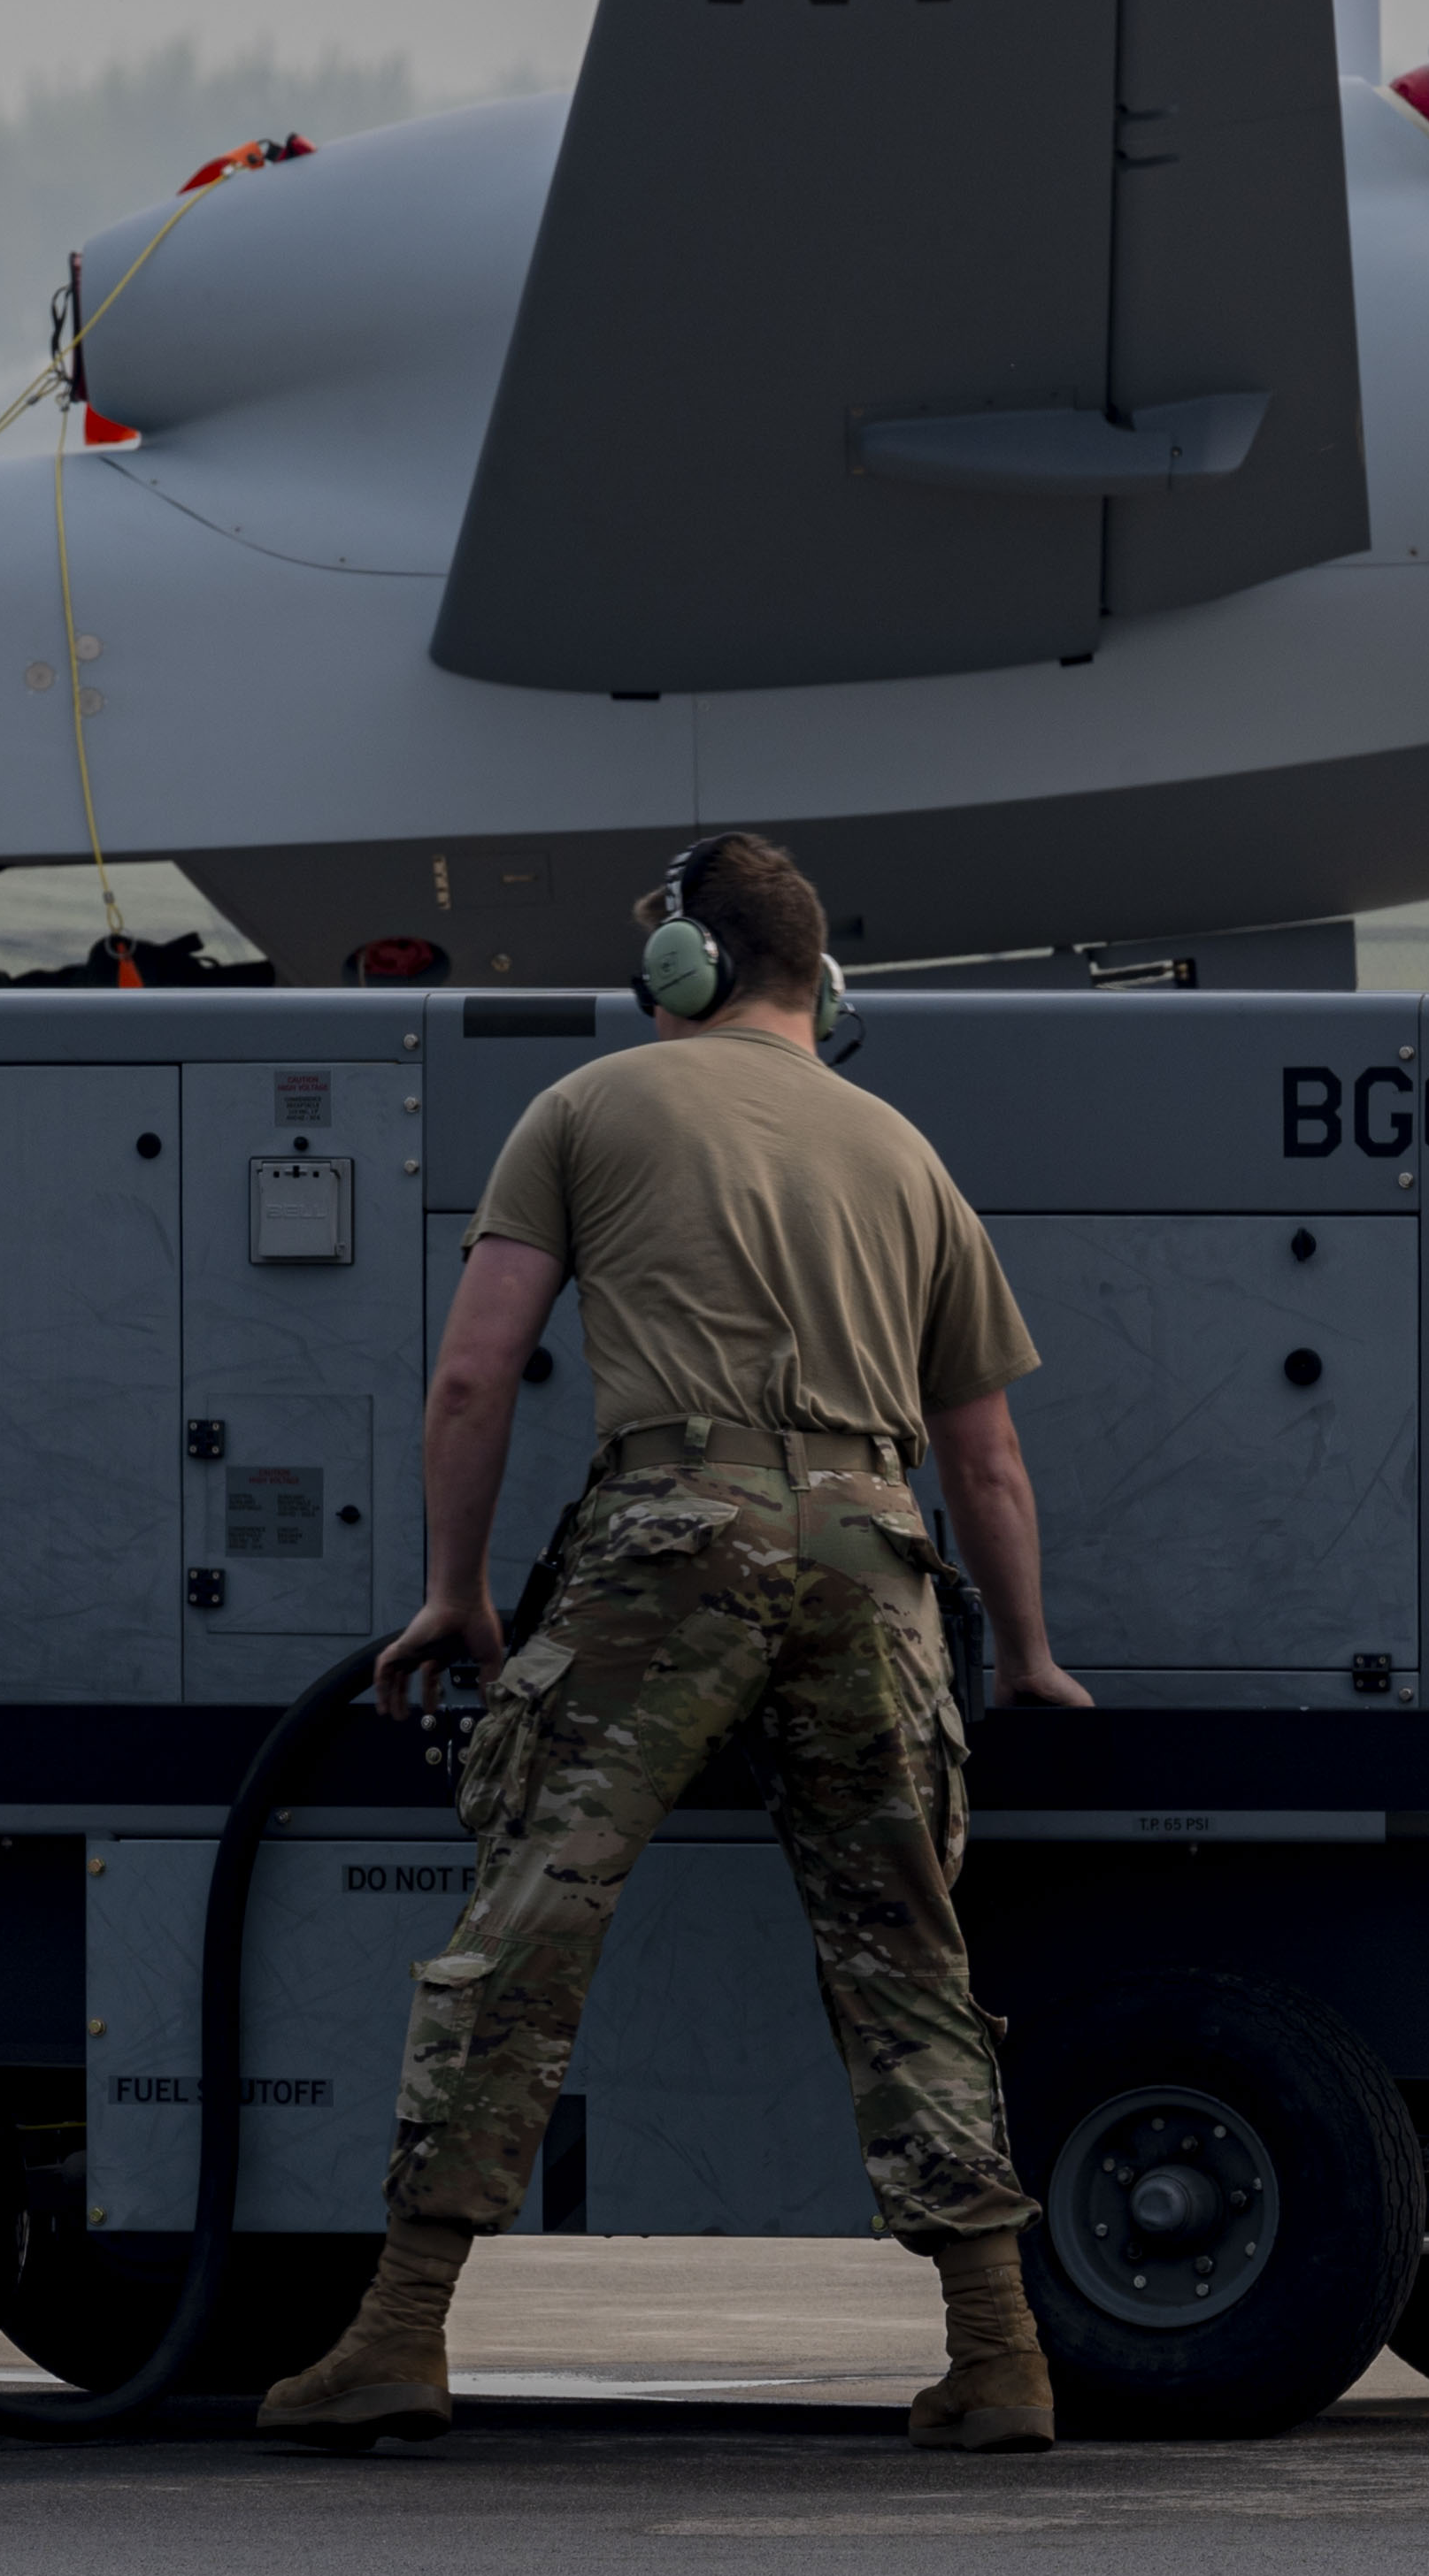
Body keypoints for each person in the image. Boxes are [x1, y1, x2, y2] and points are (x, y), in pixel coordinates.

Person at [256, 833, 1093, 2456]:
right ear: (820, 985)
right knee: (908, 1950)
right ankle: (999, 2351)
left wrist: (456, 1590)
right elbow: (983, 1458)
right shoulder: (906, 1151)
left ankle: (399, 2335)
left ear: (680, 972)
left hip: (673, 1537)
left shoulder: (589, 1108)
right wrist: (1031, 1659)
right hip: (872, 1545)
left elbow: (472, 1375)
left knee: (528, 1922)